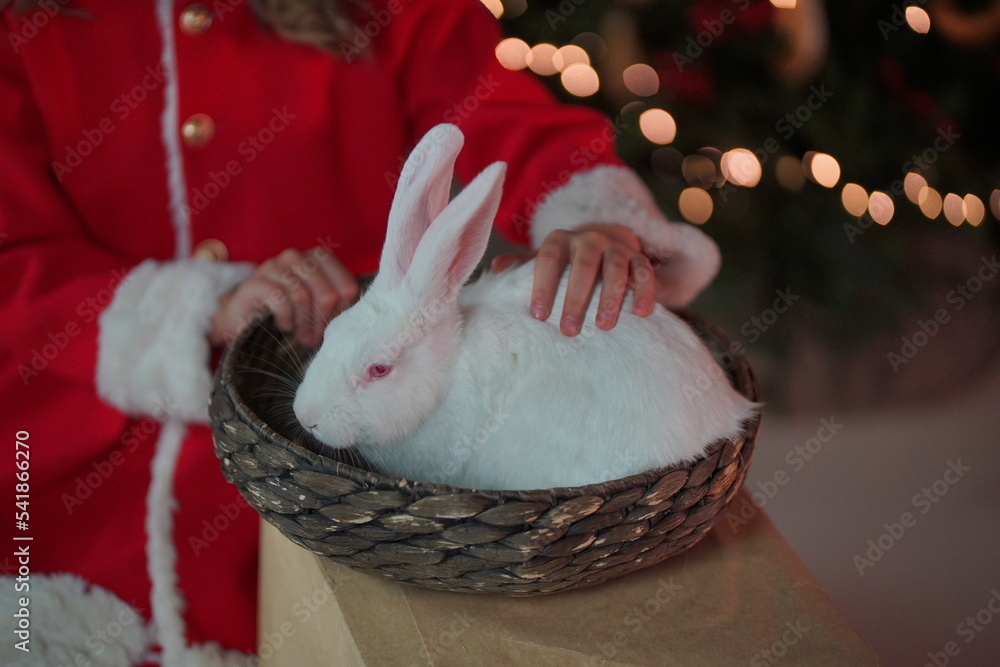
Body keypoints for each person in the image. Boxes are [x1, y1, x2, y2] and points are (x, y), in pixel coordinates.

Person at [0, 0, 720, 664]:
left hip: (338, 454)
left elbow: (490, 110)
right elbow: (14, 252)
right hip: (72, 444)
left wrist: (586, 212)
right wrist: (202, 307)